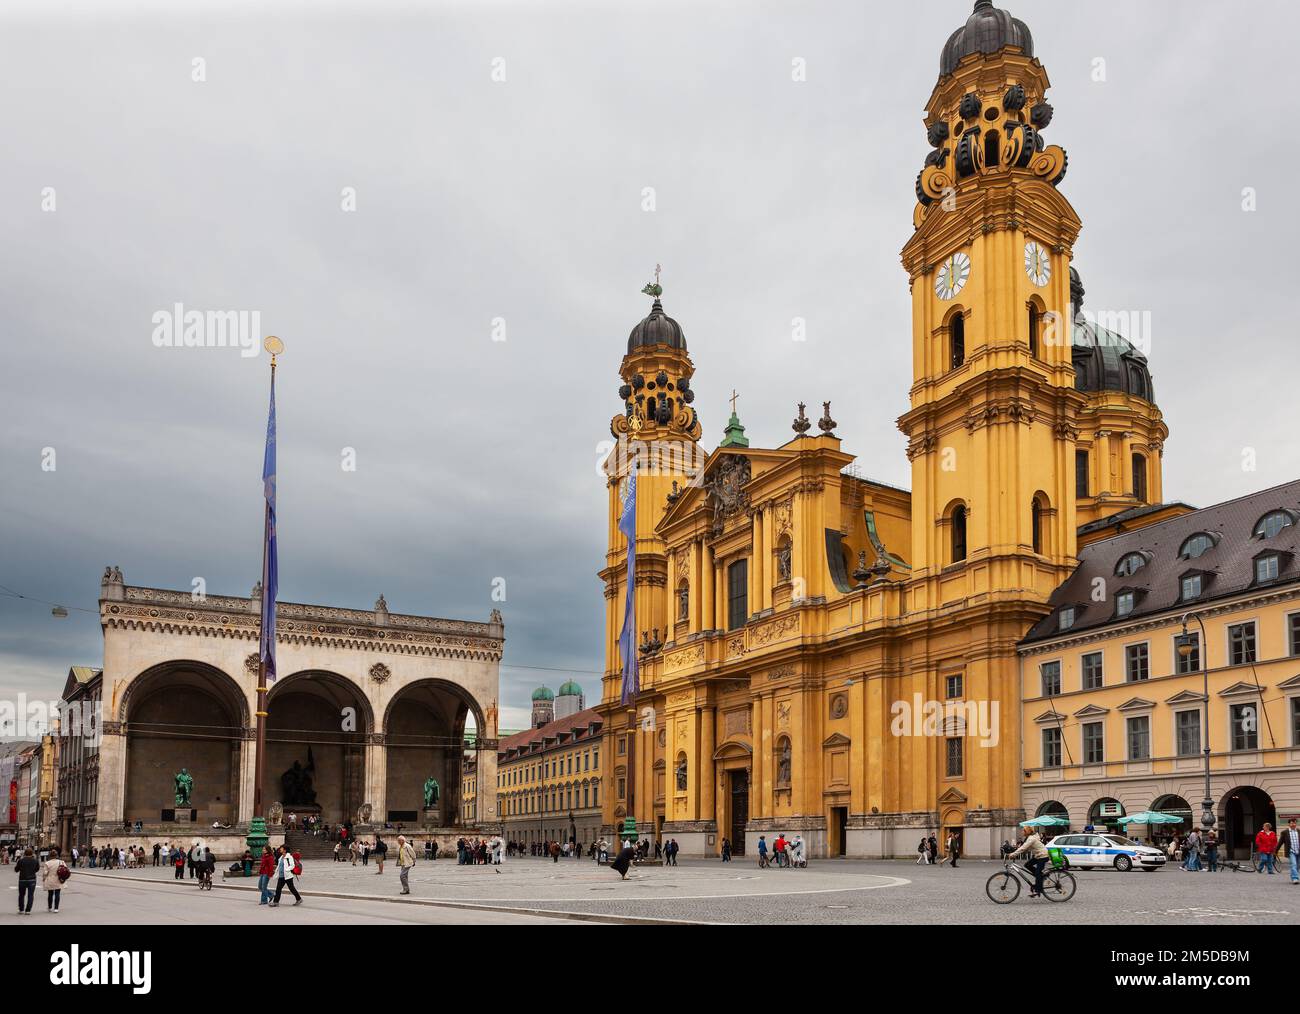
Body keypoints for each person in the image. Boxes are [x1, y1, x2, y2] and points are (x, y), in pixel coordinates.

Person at [1008, 829, 1050, 898]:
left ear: (1027, 832)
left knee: (1037, 872)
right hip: (1038, 855)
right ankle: (1040, 877)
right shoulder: (1029, 838)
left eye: (1023, 831)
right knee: (1027, 865)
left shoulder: (1031, 838)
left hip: (1043, 856)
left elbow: (1023, 848)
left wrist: (1013, 854)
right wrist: (1016, 853)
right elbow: (1025, 848)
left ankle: (1038, 889)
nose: (1022, 832)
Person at [15, 846, 40, 914]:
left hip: (22, 879)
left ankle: (21, 909)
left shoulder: (21, 860)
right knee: (30, 895)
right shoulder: (35, 860)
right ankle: (28, 910)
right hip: (32, 879)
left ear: (25, 853)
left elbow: (16, 870)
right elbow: (37, 869)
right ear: (32, 853)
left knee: (21, 895)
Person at [1279, 818, 1300, 885]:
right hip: (1291, 851)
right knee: (1293, 864)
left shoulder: (1299, 831)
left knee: (1298, 866)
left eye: (1294, 823)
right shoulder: (1285, 832)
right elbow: (1280, 842)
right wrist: (1275, 851)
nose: (1293, 824)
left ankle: (1294, 876)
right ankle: (1295, 878)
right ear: (1289, 824)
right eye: (1291, 823)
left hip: (1298, 851)